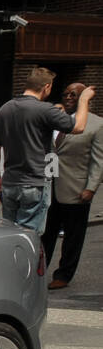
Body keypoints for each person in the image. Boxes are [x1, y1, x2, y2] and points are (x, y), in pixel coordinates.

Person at [0, 67, 96, 234]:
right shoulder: (45, 109)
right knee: (29, 236)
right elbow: (79, 126)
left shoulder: (4, 109)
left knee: (10, 234)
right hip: (35, 182)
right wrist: (83, 100)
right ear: (47, 86)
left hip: (10, 182)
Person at [43, 82, 102, 289]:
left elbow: (98, 160)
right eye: (66, 93)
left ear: (84, 97)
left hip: (76, 189)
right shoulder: (55, 120)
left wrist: (91, 187)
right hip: (49, 187)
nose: (68, 97)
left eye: (74, 94)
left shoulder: (96, 124)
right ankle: (40, 272)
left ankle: (64, 275)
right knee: (46, 234)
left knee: (73, 237)